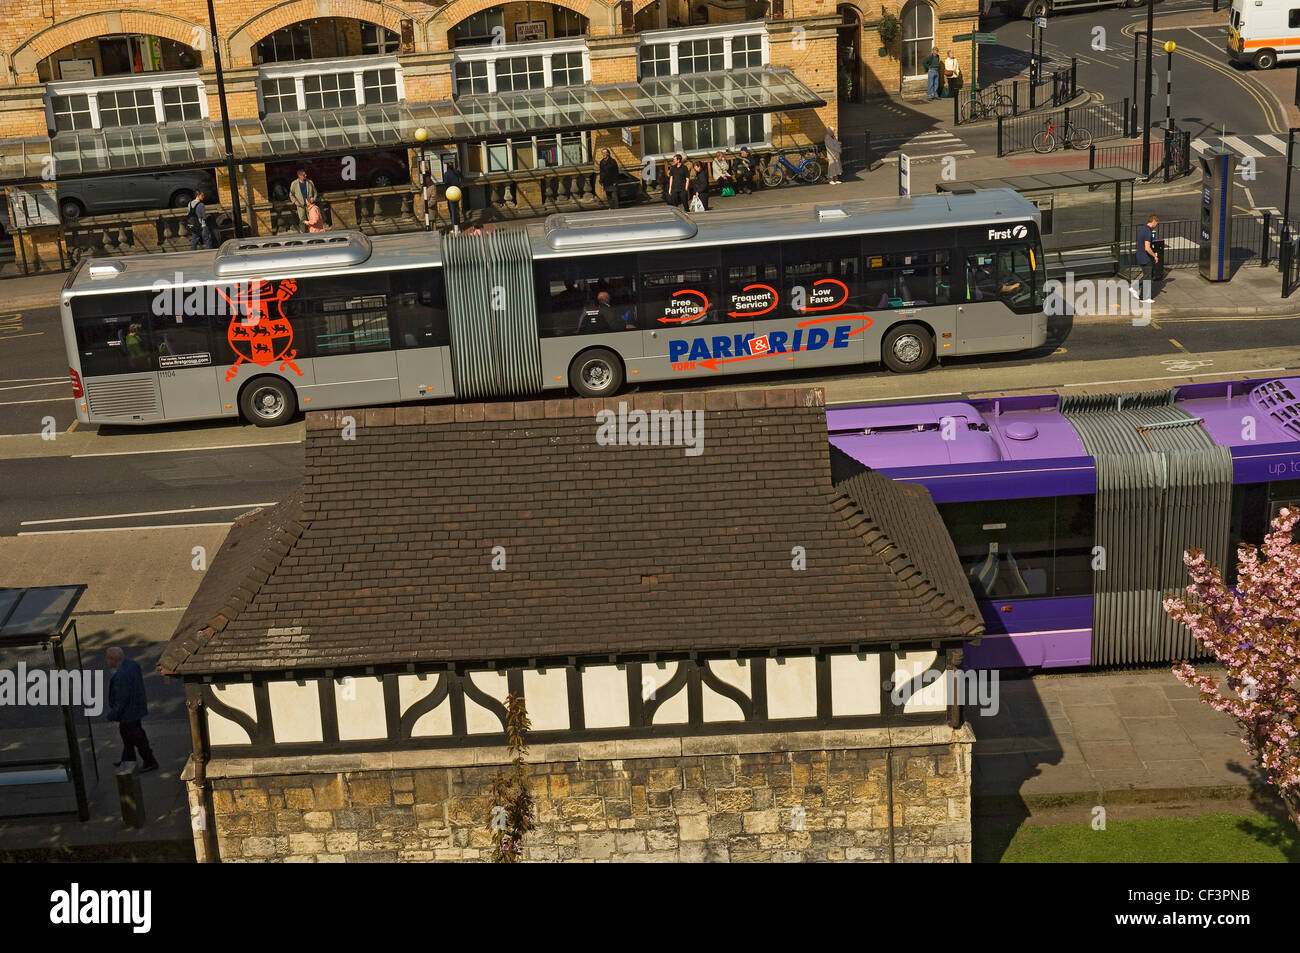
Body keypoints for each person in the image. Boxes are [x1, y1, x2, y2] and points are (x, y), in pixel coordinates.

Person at [107, 647, 158, 772]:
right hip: (136, 709)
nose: (107, 661)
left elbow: (121, 699)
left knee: (136, 738)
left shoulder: (121, 675)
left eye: (107, 658)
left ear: (113, 659)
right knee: (128, 736)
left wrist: (113, 714)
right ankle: (128, 760)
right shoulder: (132, 665)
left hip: (128, 714)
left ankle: (149, 761)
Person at [1134, 214, 1159, 302]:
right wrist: (1154, 256)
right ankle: (1138, 291)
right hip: (1146, 257)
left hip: (1140, 256)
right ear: (1154, 221)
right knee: (1148, 277)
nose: (1156, 225)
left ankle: (1141, 295)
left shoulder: (1142, 228)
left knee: (1147, 276)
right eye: (1157, 223)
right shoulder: (1148, 231)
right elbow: (1147, 248)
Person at [444, 159, 462, 228]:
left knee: (452, 212)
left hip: (450, 194)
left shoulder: (446, 174)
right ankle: (458, 226)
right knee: (456, 210)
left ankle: (454, 227)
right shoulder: (456, 172)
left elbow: (446, 184)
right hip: (457, 193)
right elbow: (460, 175)